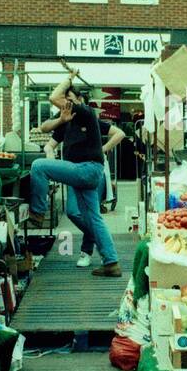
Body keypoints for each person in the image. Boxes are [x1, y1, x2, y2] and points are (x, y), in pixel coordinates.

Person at [28, 75, 121, 276]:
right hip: (84, 172)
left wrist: (68, 79)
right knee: (93, 218)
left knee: (38, 166)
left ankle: (37, 213)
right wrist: (61, 119)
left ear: (76, 100)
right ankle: (111, 262)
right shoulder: (68, 119)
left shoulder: (85, 111)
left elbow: (54, 96)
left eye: (68, 99)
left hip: (86, 170)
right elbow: (43, 128)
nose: (65, 103)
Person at [69, 97, 125, 267]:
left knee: (91, 213)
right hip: (74, 172)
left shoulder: (91, 120)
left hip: (93, 171)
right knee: (74, 212)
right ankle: (98, 239)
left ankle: (87, 252)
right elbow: (49, 138)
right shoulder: (68, 122)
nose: (71, 104)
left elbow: (120, 133)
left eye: (74, 100)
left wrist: (102, 149)